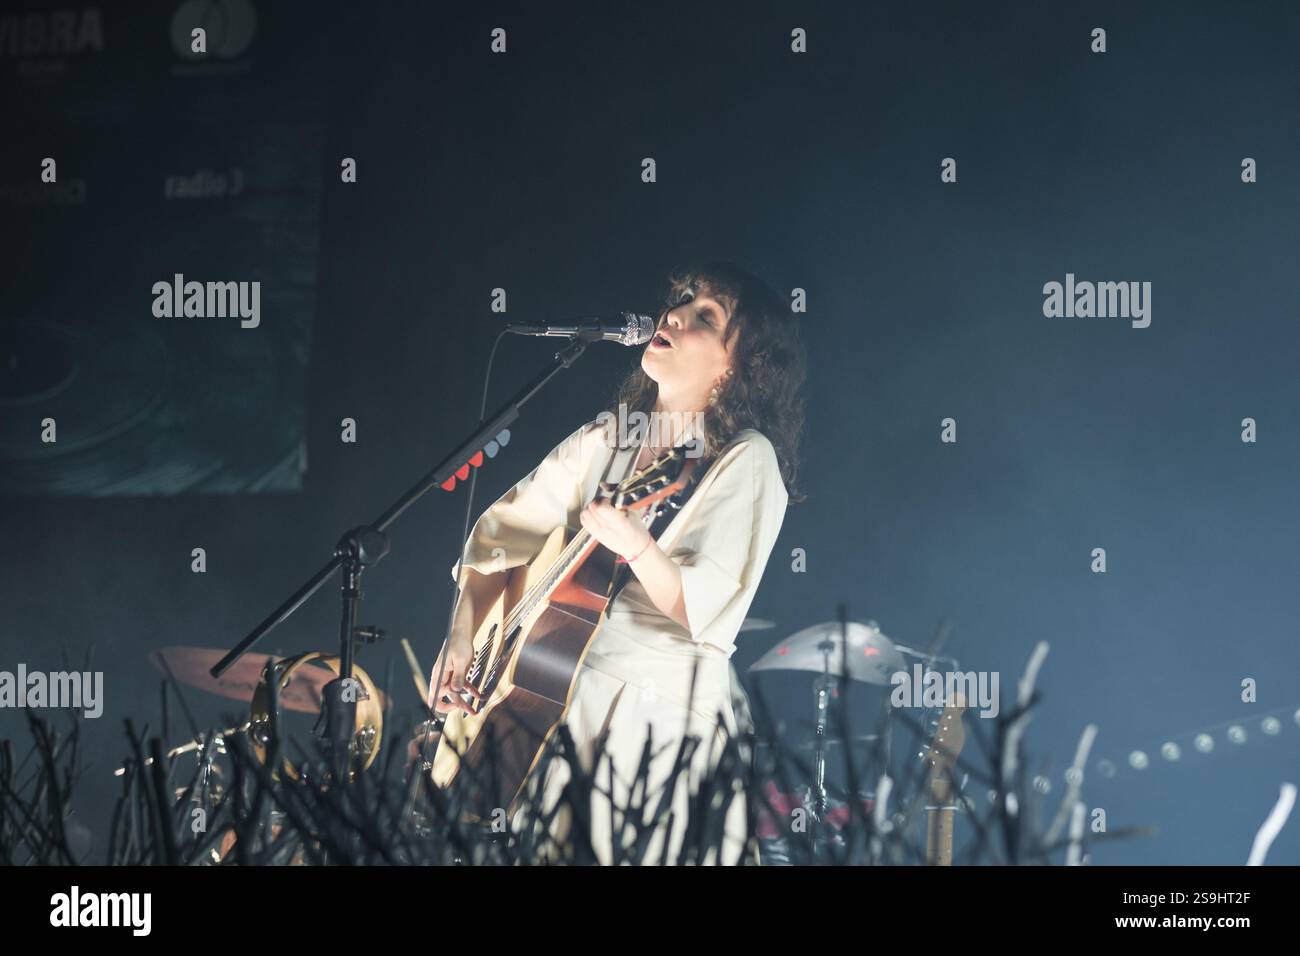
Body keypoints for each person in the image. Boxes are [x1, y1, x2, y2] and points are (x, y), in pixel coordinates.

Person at [429, 261, 805, 864]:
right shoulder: (611, 437)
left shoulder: (744, 457)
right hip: (550, 696)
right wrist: (463, 632)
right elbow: (503, 533)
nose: (675, 315)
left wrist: (636, 545)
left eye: (705, 317)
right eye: (681, 302)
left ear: (737, 366)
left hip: (648, 720)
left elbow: (705, 609)